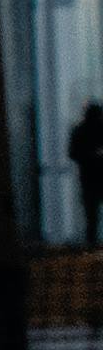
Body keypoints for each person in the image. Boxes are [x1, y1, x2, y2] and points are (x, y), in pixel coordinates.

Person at [71, 92, 103, 249]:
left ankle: (92, 243)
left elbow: (73, 153)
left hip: (88, 177)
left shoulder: (80, 130)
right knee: (91, 214)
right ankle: (92, 243)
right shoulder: (92, 130)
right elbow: (73, 153)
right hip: (93, 177)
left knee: (91, 214)